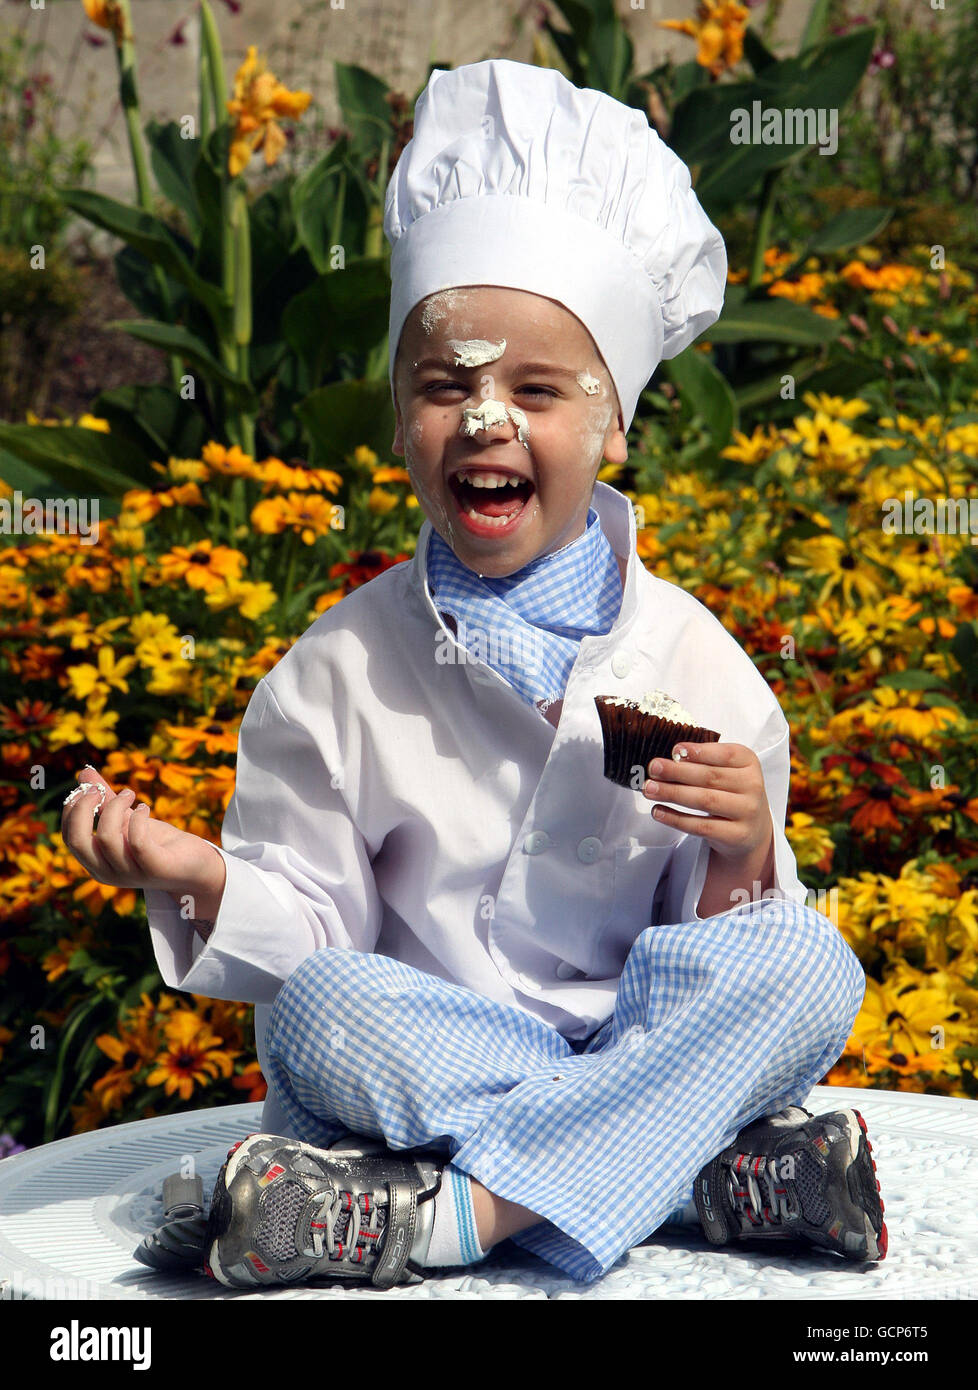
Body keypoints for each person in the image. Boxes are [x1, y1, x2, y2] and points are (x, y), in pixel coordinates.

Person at [61, 58, 886, 1290]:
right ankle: (692, 1173)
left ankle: (453, 1215)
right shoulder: (333, 674)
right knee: (319, 1012)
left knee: (812, 962)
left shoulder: (696, 667)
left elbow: (719, 958)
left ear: (614, 427)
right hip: (422, 1047)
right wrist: (203, 878)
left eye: (537, 389)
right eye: (446, 385)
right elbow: (318, 933)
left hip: (612, 1045)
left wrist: (739, 858)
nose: (488, 421)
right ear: (398, 420)